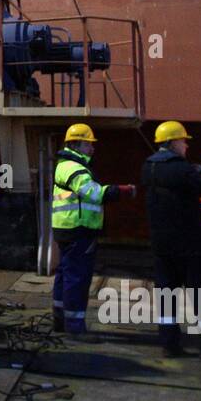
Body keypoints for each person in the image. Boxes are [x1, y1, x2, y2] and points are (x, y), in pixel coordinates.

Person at [141, 121, 201, 358]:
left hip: (161, 246)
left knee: (167, 295)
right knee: (200, 296)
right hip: (189, 245)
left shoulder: (147, 167)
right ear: (173, 142)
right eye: (183, 141)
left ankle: (169, 344)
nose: (186, 145)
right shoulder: (184, 169)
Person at [50, 123, 134, 336]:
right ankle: (75, 327)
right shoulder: (74, 167)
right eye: (88, 144)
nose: (92, 149)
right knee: (77, 277)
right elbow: (94, 193)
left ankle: (60, 319)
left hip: (68, 227)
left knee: (66, 273)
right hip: (79, 229)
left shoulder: (68, 165)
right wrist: (121, 191)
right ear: (77, 144)